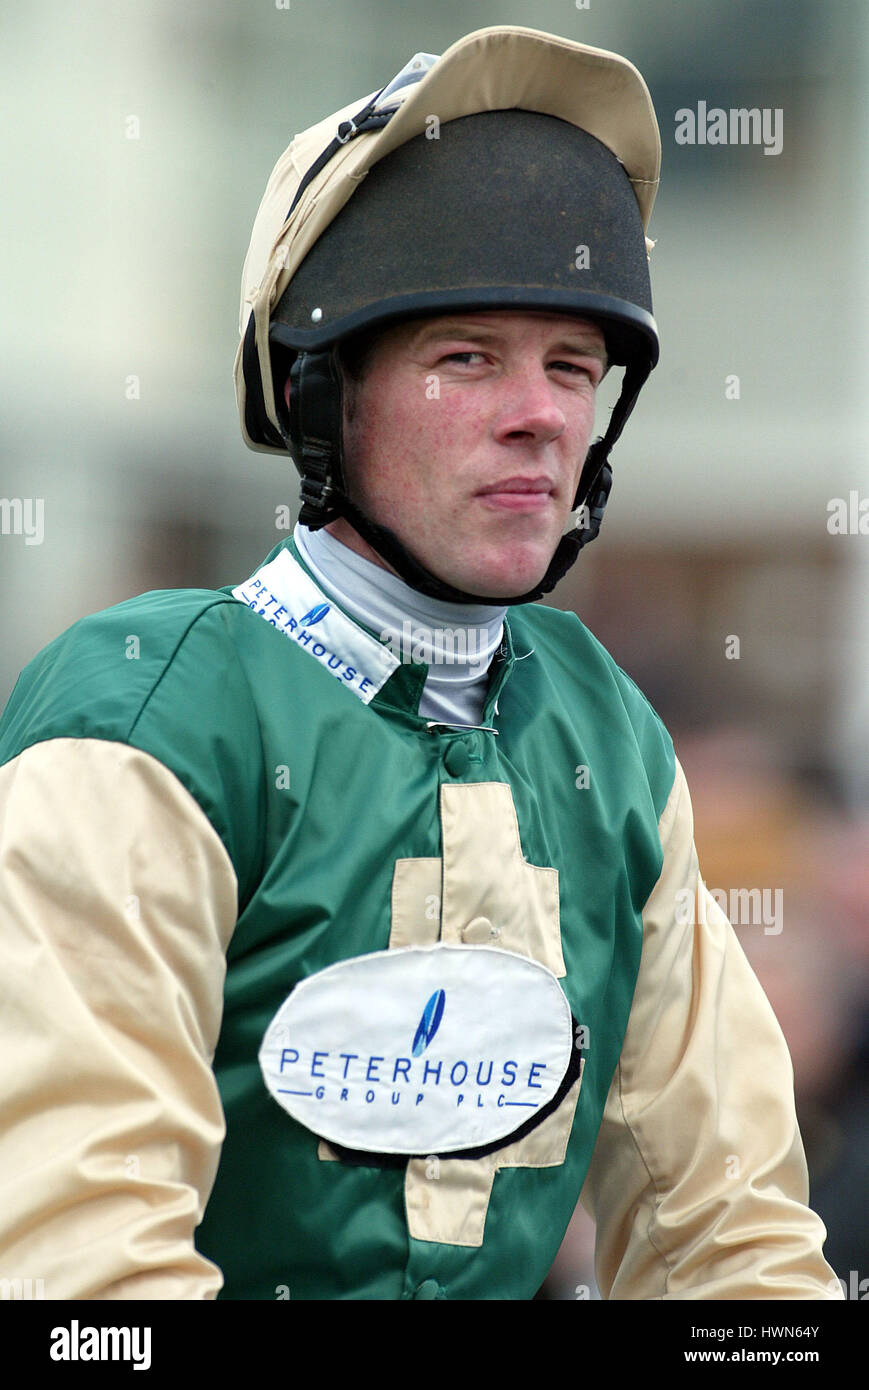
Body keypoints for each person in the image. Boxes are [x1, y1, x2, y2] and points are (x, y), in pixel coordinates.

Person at [0, 25, 842, 1301]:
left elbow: (729, 1244)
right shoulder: (145, 716)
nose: (539, 414)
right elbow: (78, 1281)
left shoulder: (605, 734)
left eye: (572, 366)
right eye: (468, 357)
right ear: (327, 396)